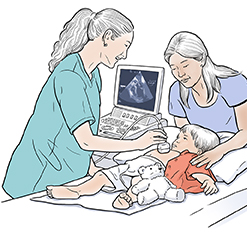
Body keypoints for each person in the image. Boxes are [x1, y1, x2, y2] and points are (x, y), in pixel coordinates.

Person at [2, 8, 166, 199]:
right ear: (107, 37)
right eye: (125, 45)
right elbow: (86, 139)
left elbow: (75, 131)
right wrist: (137, 143)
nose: (124, 54)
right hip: (39, 177)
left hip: (66, 174)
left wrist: (93, 170)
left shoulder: (93, 74)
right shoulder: (70, 76)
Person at [46, 124, 220, 210]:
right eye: (179, 136)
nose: (177, 139)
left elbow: (199, 173)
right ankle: (77, 190)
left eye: (184, 139)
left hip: (152, 173)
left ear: (197, 150)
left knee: (139, 183)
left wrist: (208, 182)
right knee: (103, 176)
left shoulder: (189, 158)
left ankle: (128, 198)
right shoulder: (168, 149)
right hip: (134, 166)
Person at [164, 31, 247, 169]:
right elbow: (185, 134)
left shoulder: (232, 82)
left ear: (201, 59)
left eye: (185, 65)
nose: (180, 74)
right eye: (174, 68)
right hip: (207, 147)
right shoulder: (176, 92)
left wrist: (217, 152)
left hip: (245, 144)